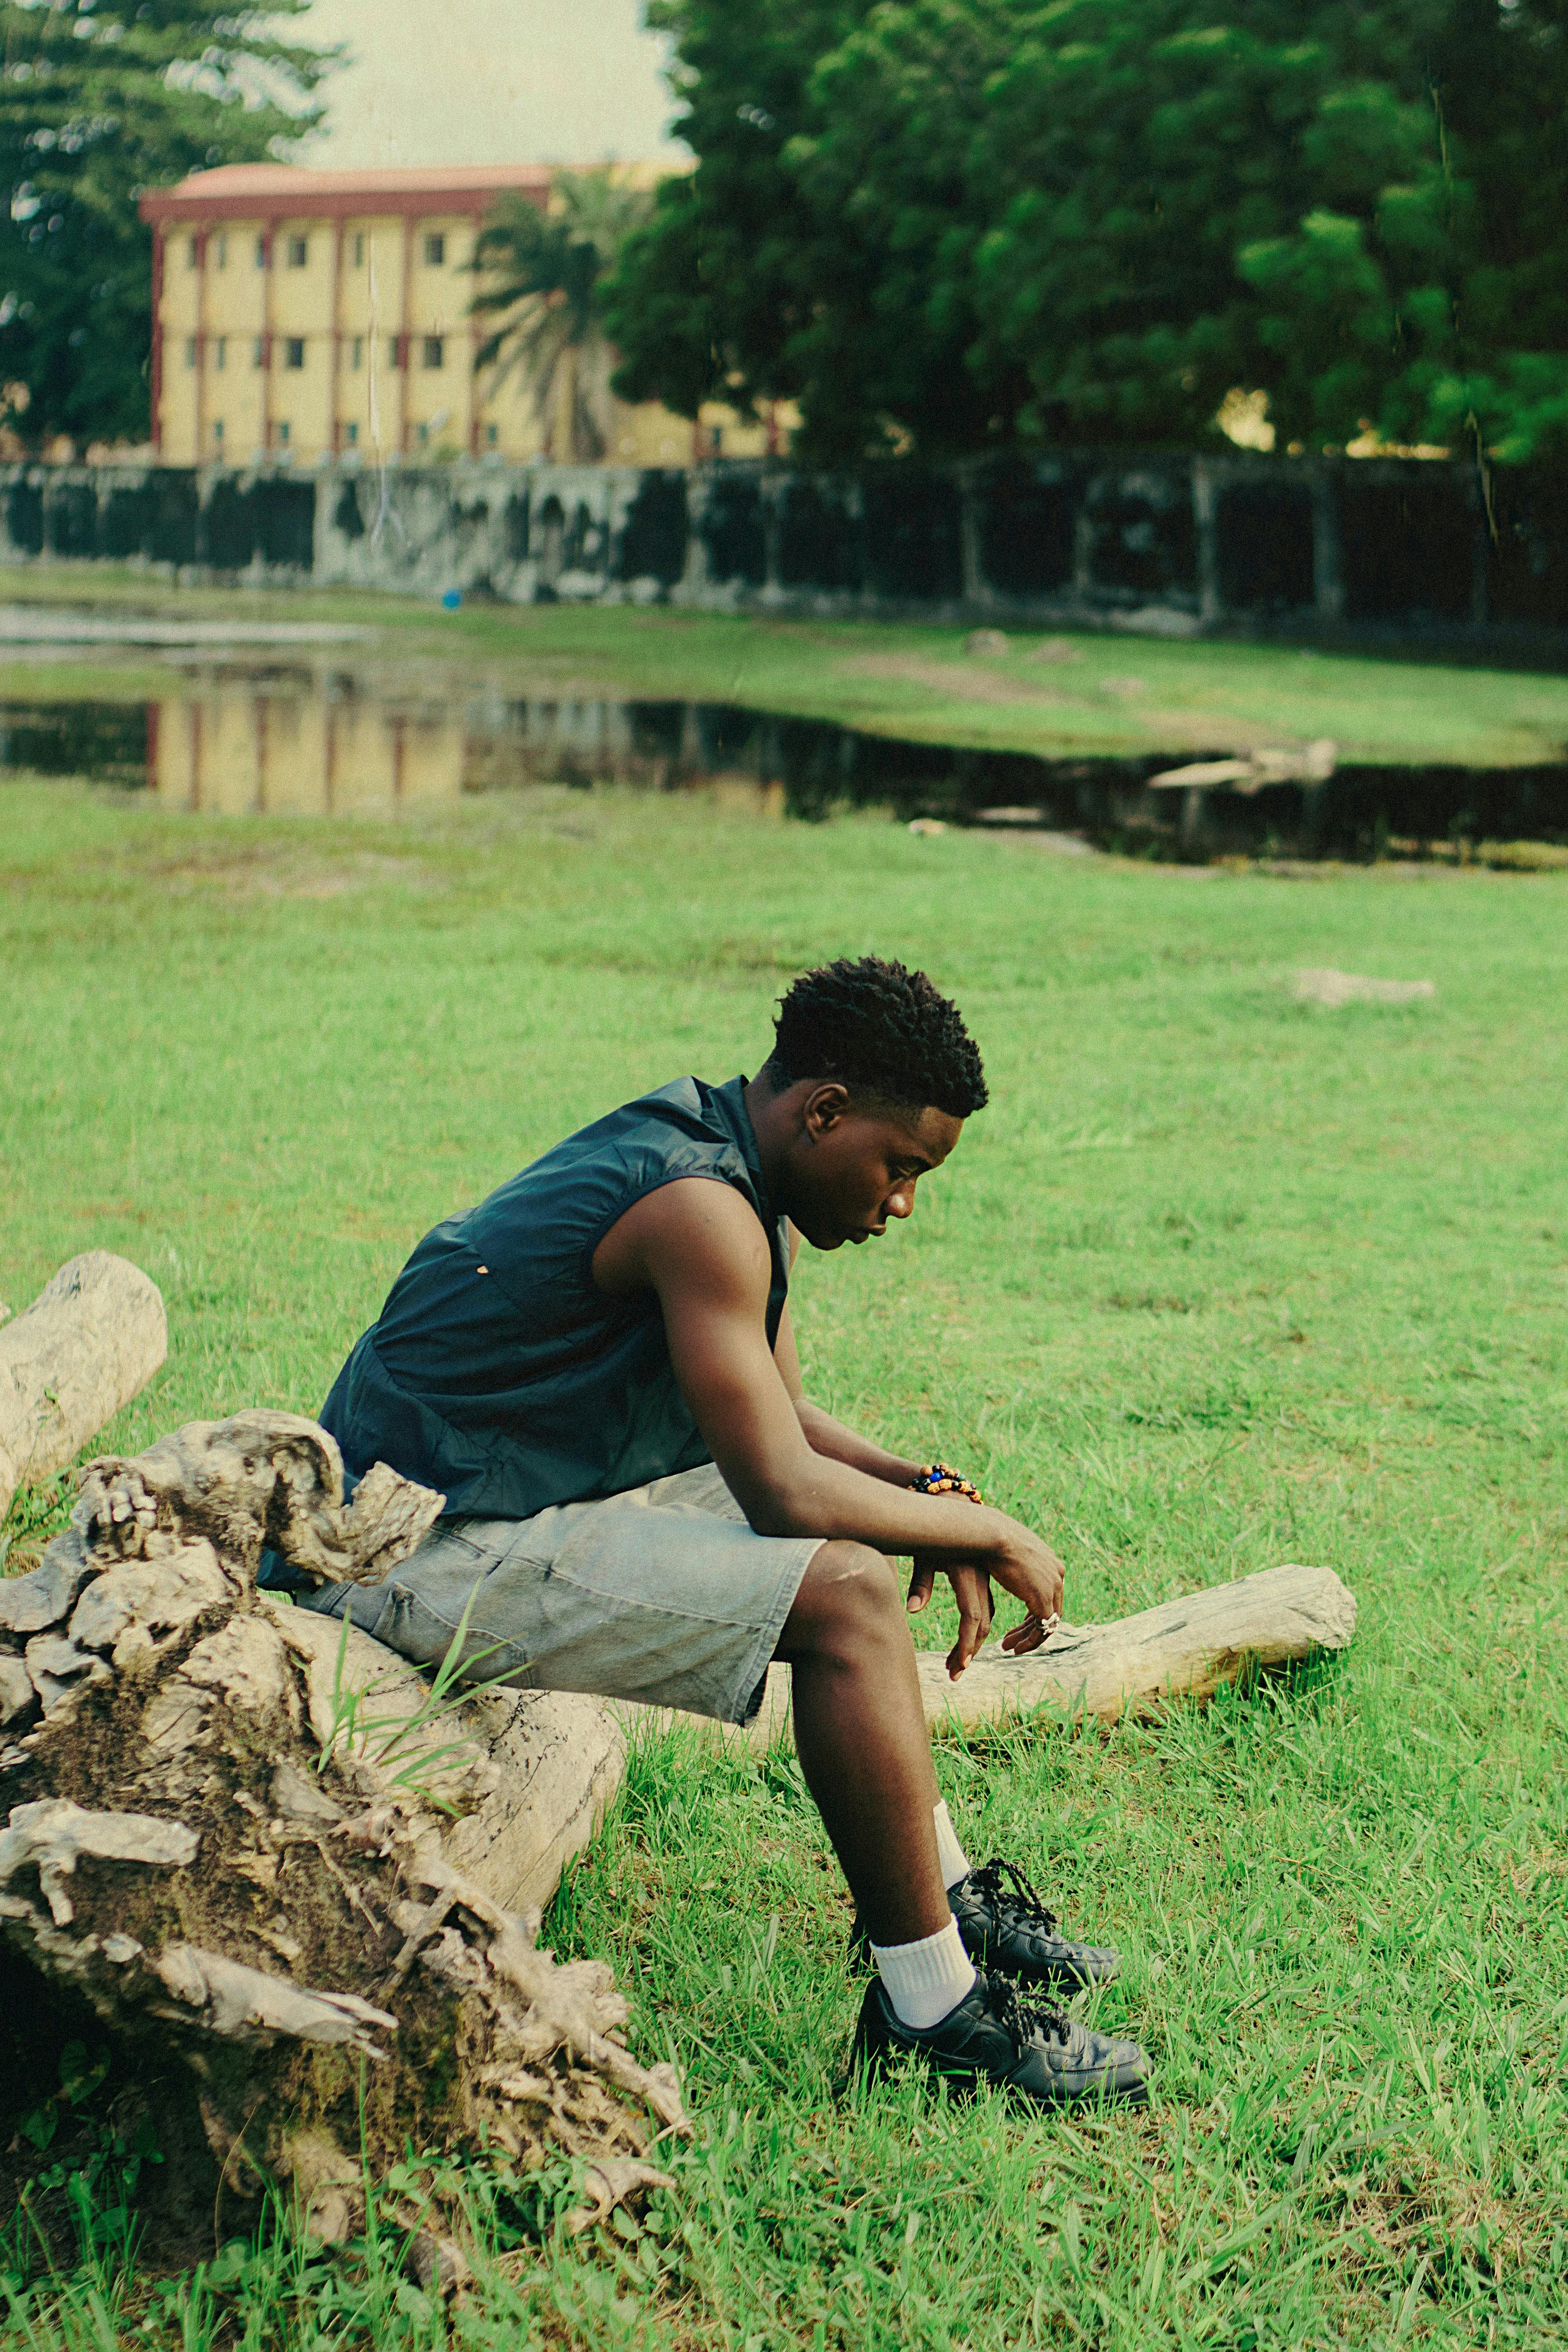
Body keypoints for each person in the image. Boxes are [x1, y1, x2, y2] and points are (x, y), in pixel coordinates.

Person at [288, 957, 1148, 2109]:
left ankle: (944, 1903)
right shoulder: (701, 1211)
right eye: (900, 1169)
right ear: (825, 1112)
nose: (902, 1206)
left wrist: (930, 1493)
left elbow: (782, 1421)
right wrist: (986, 1527)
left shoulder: (735, 1171)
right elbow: (788, 1495)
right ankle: (932, 2009)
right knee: (845, 1592)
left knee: (859, 1565)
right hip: (407, 1547)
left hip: (526, 1491)